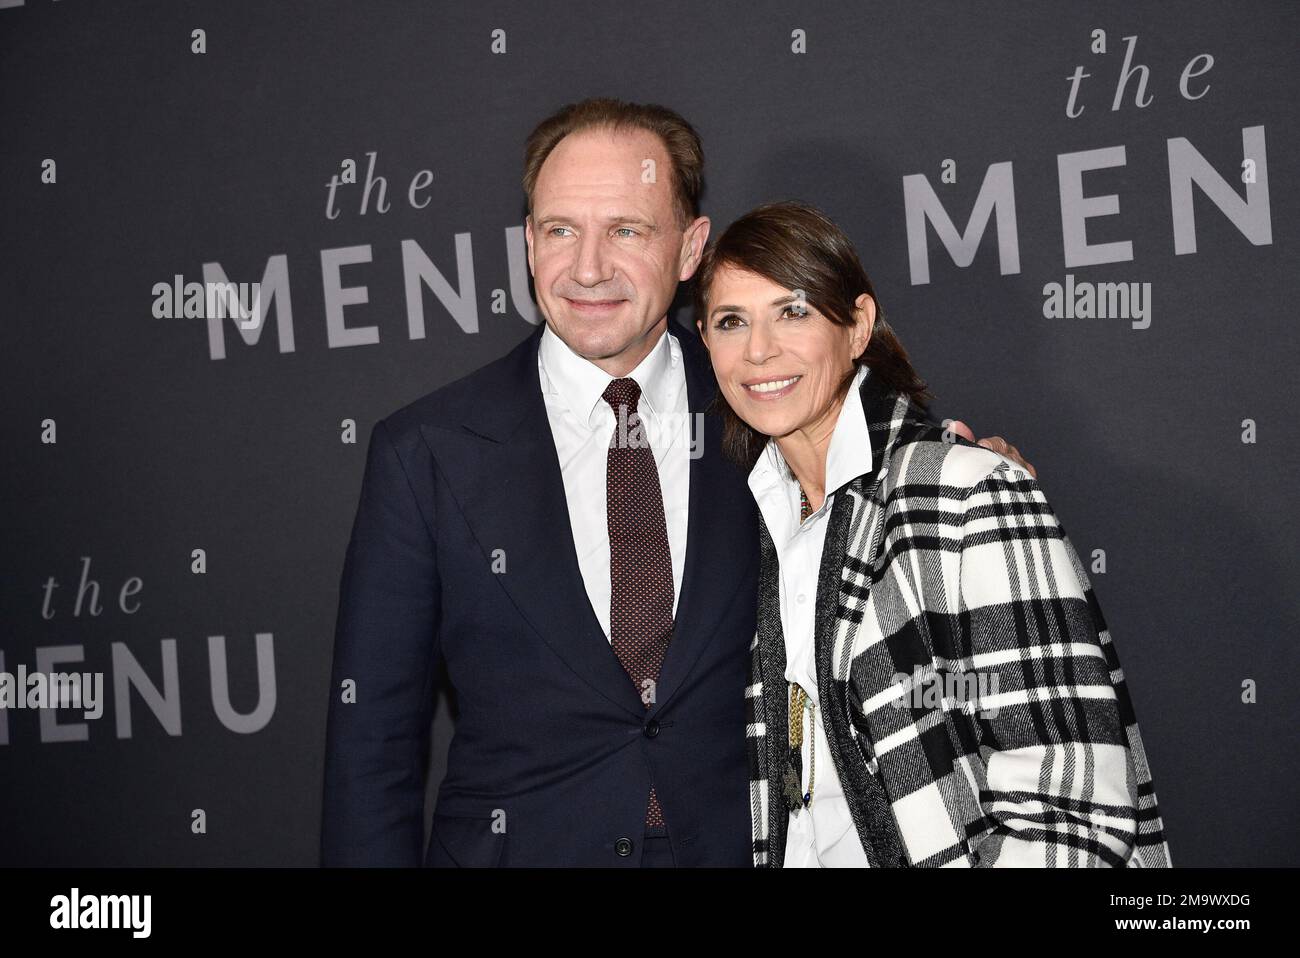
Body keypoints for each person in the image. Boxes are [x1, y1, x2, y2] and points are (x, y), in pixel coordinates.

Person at [321, 98, 1030, 867]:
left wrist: (956, 479)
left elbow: (894, 497)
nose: (588, 267)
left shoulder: (765, 400)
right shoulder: (426, 450)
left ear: (692, 249)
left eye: (626, 231)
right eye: (561, 230)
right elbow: (374, 745)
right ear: (528, 243)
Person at [693, 200, 1172, 867]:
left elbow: (1070, 806)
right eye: (730, 322)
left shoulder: (965, 490)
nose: (759, 350)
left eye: (793, 311)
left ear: (857, 325)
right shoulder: (752, 531)